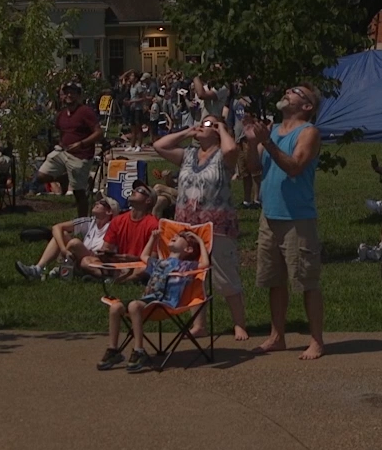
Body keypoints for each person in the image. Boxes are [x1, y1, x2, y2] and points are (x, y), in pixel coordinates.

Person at [151, 115, 253, 340]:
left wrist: (222, 128)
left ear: (217, 130)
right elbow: (159, 146)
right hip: (187, 226)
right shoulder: (187, 155)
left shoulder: (223, 156)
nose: (201, 126)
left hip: (217, 225)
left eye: (207, 124)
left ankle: (239, 324)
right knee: (192, 277)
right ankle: (199, 325)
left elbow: (230, 150)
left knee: (225, 277)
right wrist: (187, 132)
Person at [248, 84, 326, 360]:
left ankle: (317, 341)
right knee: (275, 281)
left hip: (298, 218)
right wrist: (251, 142)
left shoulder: (308, 132)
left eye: (295, 92)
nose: (287, 93)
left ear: (307, 106)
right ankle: (277, 336)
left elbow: (295, 167)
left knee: (306, 281)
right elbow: (254, 168)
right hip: (269, 216)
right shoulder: (273, 132)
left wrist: (267, 142)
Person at [98, 228, 208, 372]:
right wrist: (152, 239)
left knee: (134, 306)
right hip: (148, 300)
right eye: (175, 235)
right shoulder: (160, 262)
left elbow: (205, 264)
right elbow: (144, 256)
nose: (174, 236)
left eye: (180, 237)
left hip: (165, 303)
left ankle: (139, 351)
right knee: (115, 307)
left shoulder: (186, 265)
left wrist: (200, 241)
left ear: (188, 249)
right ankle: (113, 350)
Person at [31, 82, 104, 217]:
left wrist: (81, 143)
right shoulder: (62, 114)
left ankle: (82, 222)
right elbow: (62, 132)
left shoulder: (85, 111)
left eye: (73, 92)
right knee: (41, 176)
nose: (69, 95)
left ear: (79, 95)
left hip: (81, 154)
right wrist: (60, 144)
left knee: (79, 192)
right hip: (63, 151)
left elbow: (99, 132)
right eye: (66, 93)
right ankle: (63, 179)